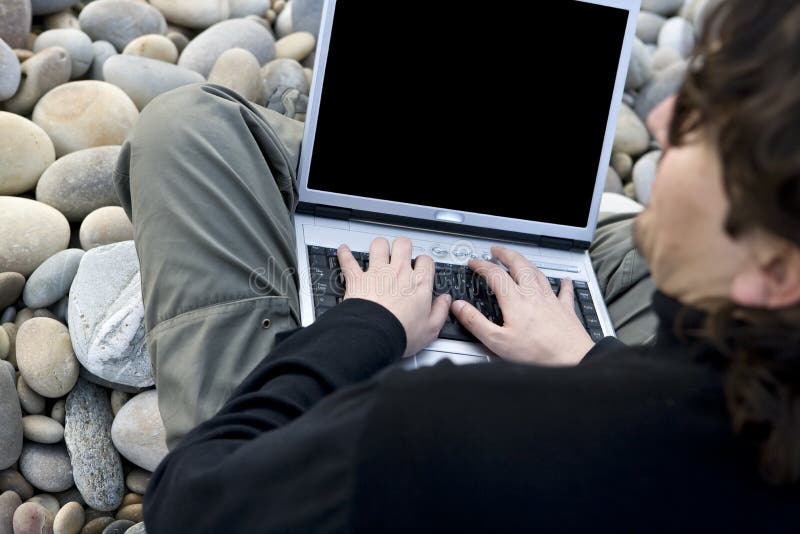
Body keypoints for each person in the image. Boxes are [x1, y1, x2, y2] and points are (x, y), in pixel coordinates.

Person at [114, 0, 800, 531]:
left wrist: (363, 324)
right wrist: (593, 359)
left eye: (699, 125)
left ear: (776, 272)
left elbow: (194, 503)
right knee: (616, 252)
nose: (661, 119)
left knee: (187, 132)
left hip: (304, 472)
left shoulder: (429, 430)